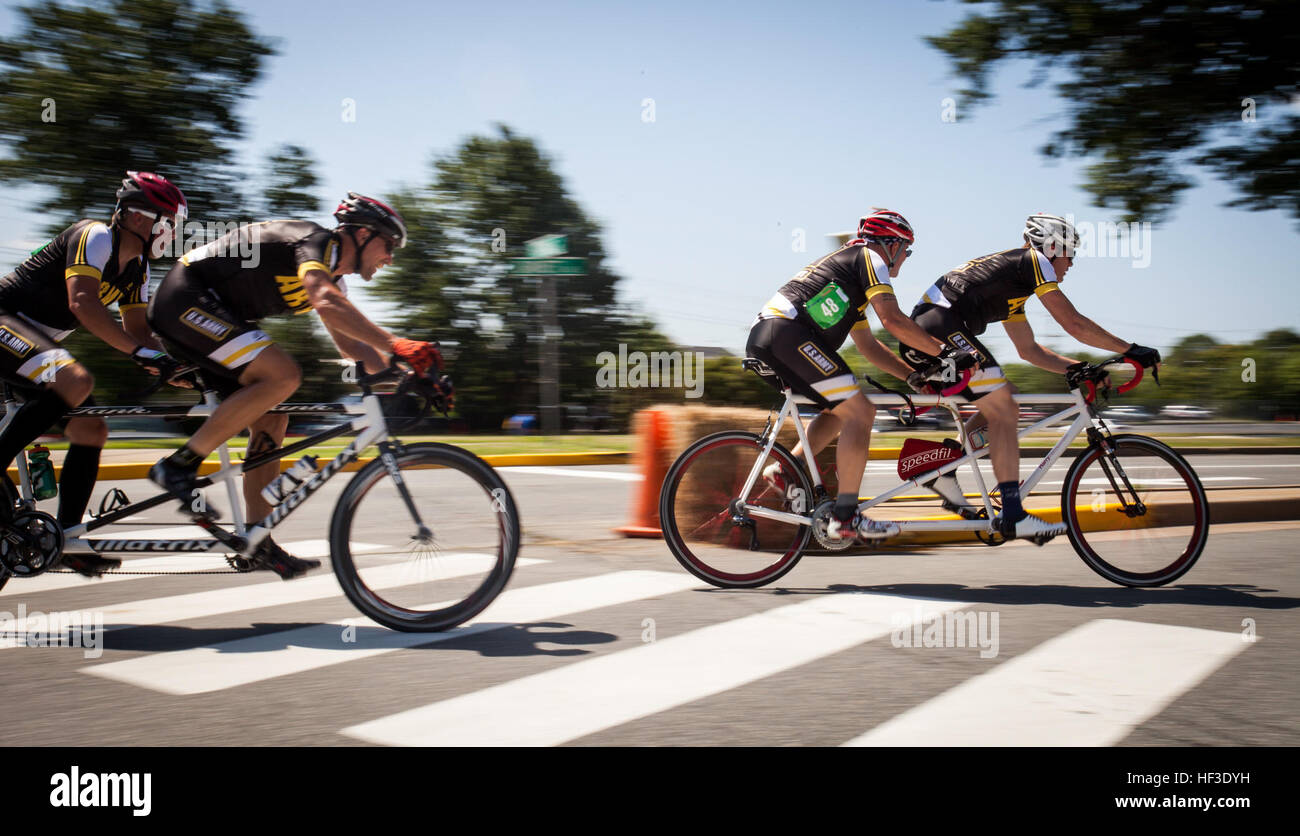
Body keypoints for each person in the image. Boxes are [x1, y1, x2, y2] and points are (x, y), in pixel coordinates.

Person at [145, 193, 443, 579]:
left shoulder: (335, 280)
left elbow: (352, 348)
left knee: (272, 421)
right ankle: (177, 467)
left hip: (216, 314)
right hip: (184, 298)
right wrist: (397, 343)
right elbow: (323, 299)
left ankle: (257, 541)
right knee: (283, 375)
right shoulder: (315, 243)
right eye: (389, 246)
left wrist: (412, 374)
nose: (390, 258)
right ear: (365, 234)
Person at [898, 212, 1162, 541]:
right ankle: (1012, 514)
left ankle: (942, 468)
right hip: (935, 328)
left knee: (1004, 396)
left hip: (935, 329)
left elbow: (1029, 350)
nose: (1071, 263)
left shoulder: (1014, 287)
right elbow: (1073, 324)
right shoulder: (1034, 261)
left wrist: (1081, 368)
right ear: (1052, 247)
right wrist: (1131, 349)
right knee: (1005, 404)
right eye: (1070, 253)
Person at [745, 209, 977, 541]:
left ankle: (786, 469)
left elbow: (869, 346)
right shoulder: (870, 257)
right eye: (906, 251)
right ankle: (846, 516)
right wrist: (943, 353)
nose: (905, 259)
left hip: (772, 336)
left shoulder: (849, 278)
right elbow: (894, 320)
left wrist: (912, 376)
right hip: (786, 335)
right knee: (862, 410)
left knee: (839, 411)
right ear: (892, 245)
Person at [0, 172, 189, 576]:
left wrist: (177, 366)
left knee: (92, 430)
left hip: (33, 344)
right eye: (168, 222)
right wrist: (140, 352)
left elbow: (138, 330)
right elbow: (83, 303)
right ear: (140, 218)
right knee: (76, 379)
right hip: (4, 320)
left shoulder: (137, 267)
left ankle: (67, 538)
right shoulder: (96, 236)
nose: (171, 232)